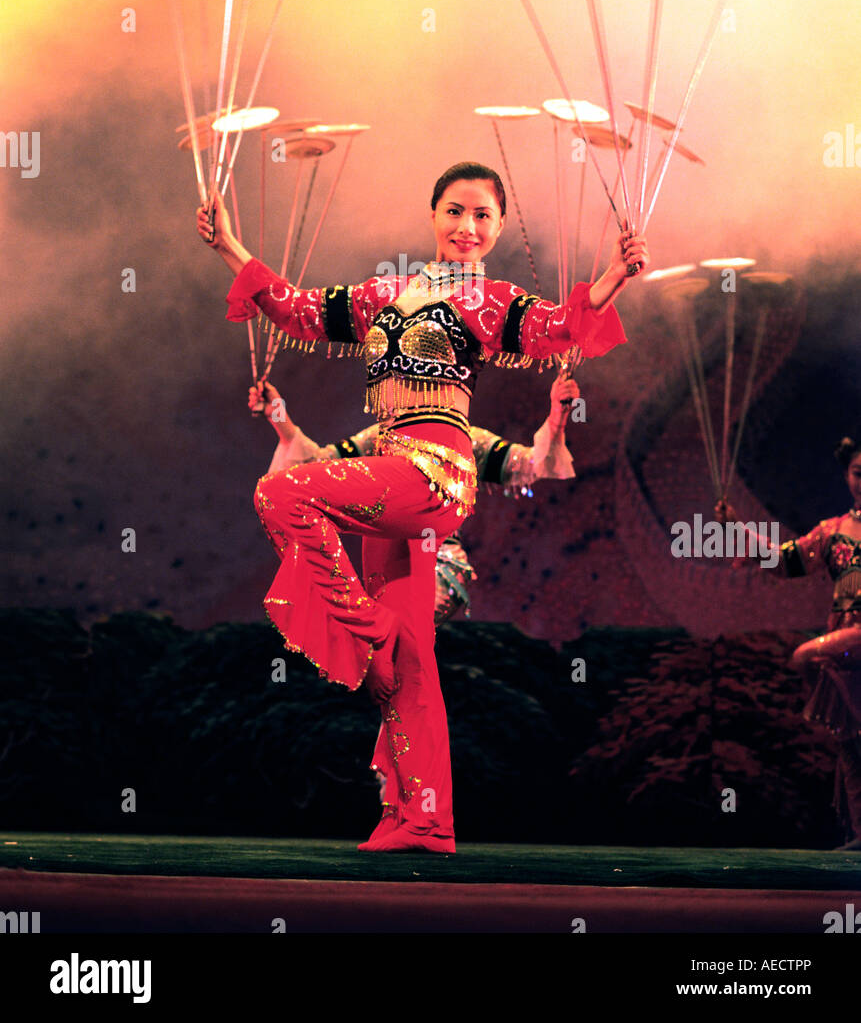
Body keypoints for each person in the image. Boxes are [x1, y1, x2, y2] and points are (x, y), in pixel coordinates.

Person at [197, 160, 648, 852]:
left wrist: (615, 276)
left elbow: (559, 328)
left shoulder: (490, 300)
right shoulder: (383, 293)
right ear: (432, 215)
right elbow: (296, 309)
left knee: (281, 493)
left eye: (483, 216)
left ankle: (362, 627)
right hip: (386, 469)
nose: (467, 227)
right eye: (455, 211)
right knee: (407, 668)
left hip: (435, 472)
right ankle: (422, 818)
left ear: (497, 228)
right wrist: (229, 243)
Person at [251, 365, 583, 830]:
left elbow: (529, 465)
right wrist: (277, 414)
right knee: (400, 673)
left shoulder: (463, 437)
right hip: (393, 571)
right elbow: (315, 461)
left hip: (440, 564)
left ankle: (408, 801)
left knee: (401, 659)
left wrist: (557, 418)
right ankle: (406, 803)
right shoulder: (379, 437)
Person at [716, 436, 861, 849]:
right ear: (846, 474)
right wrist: (737, 529)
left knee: (806, 655)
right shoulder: (833, 532)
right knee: (849, 743)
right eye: (858, 473)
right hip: (847, 647)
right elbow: (785, 561)